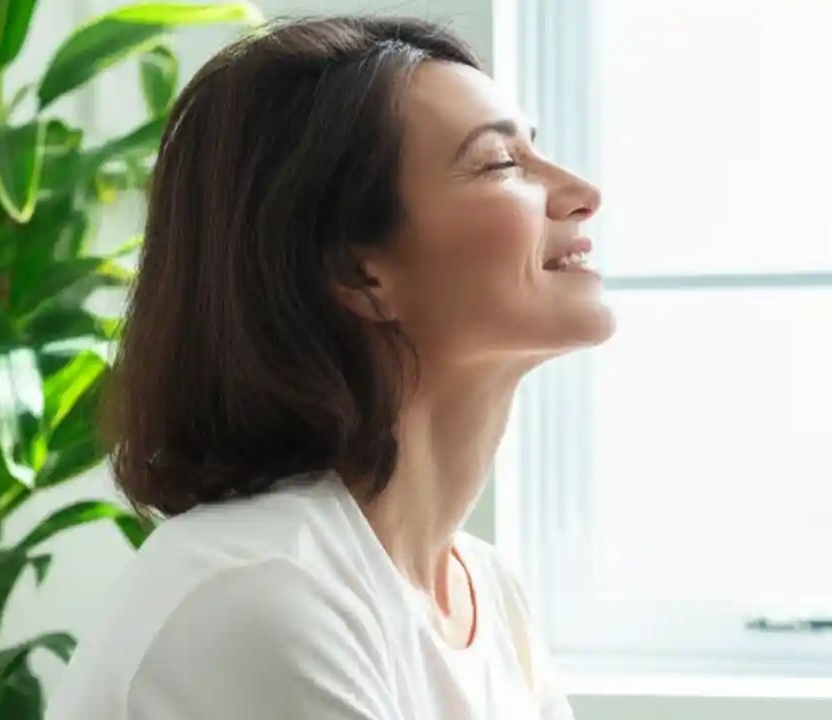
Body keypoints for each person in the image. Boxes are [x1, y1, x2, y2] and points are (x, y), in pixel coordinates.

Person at [46, 14, 612, 720]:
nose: (581, 190)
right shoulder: (260, 594)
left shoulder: (488, 593)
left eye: (537, 148)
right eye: (501, 163)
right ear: (357, 271)